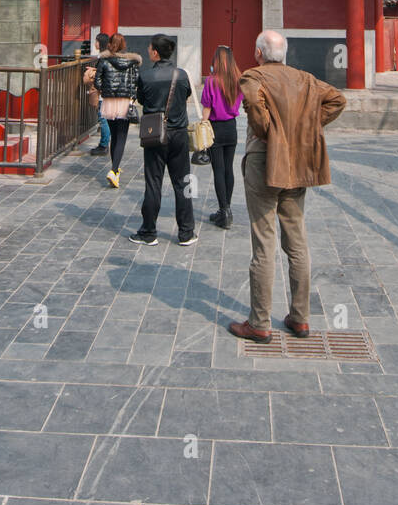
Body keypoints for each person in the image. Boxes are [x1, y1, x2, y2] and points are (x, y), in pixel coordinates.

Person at [229, 30, 345, 344]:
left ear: (258, 53)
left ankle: (260, 323)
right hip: (297, 162)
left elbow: (252, 101)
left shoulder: (254, 76)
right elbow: (337, 99)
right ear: (286, 52)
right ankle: (300, 318)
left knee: (264, 241)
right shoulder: (305, 79)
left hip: (265, 162)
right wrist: (308, 125)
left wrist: (268, 129)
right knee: (296, 240)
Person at [131, 34, 197, 246]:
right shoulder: (182, 75)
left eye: (150, 48)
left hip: (154, 133)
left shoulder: (146, 76)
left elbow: (141, 99)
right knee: (182, 183)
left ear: (156, 52)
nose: (148, 50)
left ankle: (148, 231)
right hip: (178, 133)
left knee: (153, 183)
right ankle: (186, 232)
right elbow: (185, 95)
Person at [201, 44, 243, 230]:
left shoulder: (211, 81)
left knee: (218, 169)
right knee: (229, 169)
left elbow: (207, 108)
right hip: (231, 128)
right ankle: (227, 208)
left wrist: (202, 125)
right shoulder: (238, 80)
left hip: (215, 127)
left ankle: (223, 210)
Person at [93, 33, 142, 188]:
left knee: (114, 136)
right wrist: (133, 97)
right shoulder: (132, 62)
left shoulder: (104, 60)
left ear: (109, 44)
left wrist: (105, 90)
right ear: (123, 45)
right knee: (121, 137)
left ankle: (115, 169)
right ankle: (114, 171)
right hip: (124, 102)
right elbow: (136, 82)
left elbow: (97, 81)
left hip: (108, 101)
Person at [85, 32, 112, 156]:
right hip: (109, 92)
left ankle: (104, 145)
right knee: (105, 118)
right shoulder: (108, 56)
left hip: (104, 92)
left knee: (103, 118)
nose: (95, 43)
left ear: (100, 43)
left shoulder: (103, 58)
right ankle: (105, 143)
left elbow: (102, 75)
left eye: (96, 41)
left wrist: (93, 73)